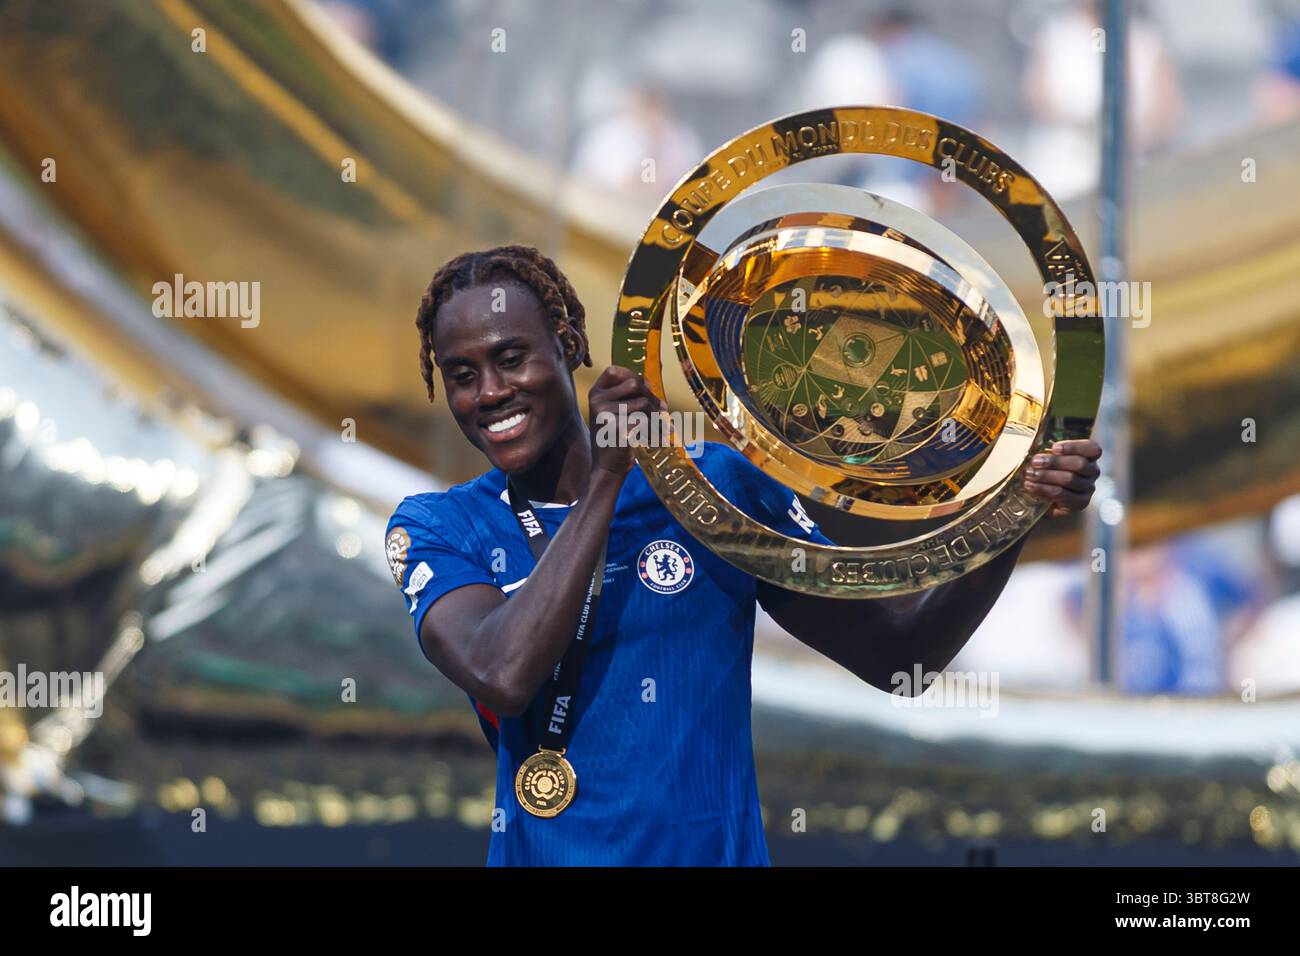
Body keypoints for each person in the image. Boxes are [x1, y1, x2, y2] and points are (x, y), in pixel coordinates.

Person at [384, 244, 1102, 865]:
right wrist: (608, 478)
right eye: (463, 373)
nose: (491, 392)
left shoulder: (711, 490)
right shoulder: (438, 526)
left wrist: (1015, 514)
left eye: (511, 358)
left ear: (569, 345)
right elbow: (501, 673)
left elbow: (898, 657)